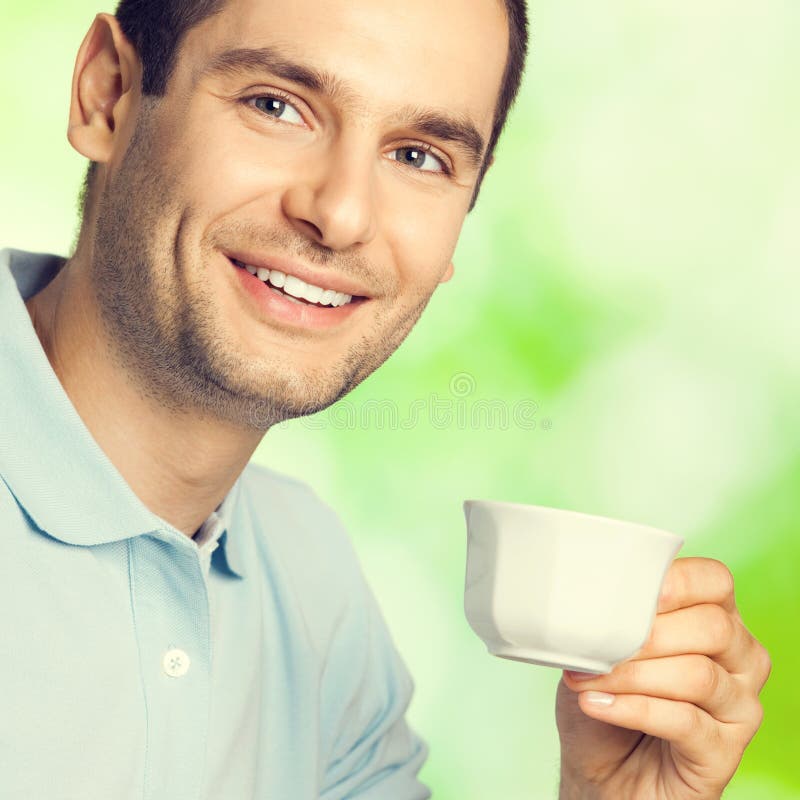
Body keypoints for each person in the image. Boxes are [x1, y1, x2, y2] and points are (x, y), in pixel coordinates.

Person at [0, 0, 770, 797]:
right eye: (277, 106)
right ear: (107, 94)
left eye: (420, 156)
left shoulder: (310, 581)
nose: (340, 214)